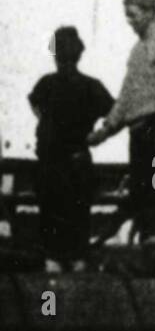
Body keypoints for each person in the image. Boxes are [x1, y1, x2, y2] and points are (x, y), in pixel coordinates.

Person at [87, 0, 155, 263]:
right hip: (139, 132)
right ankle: (150, 257)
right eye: (127, 16)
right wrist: (106, 129)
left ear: (149, 13)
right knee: (141, 195)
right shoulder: (137, 52)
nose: (129, 21)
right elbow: (126, 97)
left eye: (133, 16)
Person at [27, 27, 115, 272]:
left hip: (51, 161)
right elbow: (115, 113)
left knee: (51, 213)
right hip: (77, 161)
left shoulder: (46, 84)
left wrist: (48, 124)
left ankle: (53, 269)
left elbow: (35, 104)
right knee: (77, 214)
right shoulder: (91, 86)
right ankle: (75, 263)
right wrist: (100, 133)